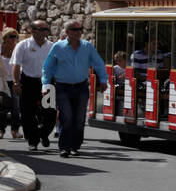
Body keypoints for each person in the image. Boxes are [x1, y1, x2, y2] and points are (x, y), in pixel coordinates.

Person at [40, 18, 108, 158]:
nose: (79, 32)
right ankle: (64, 147)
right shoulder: (58, 47)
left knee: (79, 118)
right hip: (63, 87)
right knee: (67, 117)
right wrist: (46, 85)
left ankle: (75, 146)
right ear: (67, 32)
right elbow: (48, 67)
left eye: (80, 29)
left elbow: (99, 64)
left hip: (81, 87)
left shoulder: (87, 47)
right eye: (75, 29)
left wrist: (103, 80)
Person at [11, 19, 57, 151]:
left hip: (47, 82)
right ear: (32, 30)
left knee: (50, 113)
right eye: (41, 29)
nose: (44, 32)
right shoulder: (23, 45)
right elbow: (16, 65)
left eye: (45, 29)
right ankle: (33, 140)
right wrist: (16, 83)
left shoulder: (51, 46)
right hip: (28, 82)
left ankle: (43, 134)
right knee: (28, 113)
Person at [1, 27, 20, 138]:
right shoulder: (0, 49)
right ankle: (1, 130)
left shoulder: (17, 49)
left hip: (13, 81)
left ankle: (15, 130)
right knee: (2, 108)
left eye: (15, 37)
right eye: (11, 36)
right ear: (5, 37)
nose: (14, 39)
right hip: (2, 82)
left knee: (15, 107)